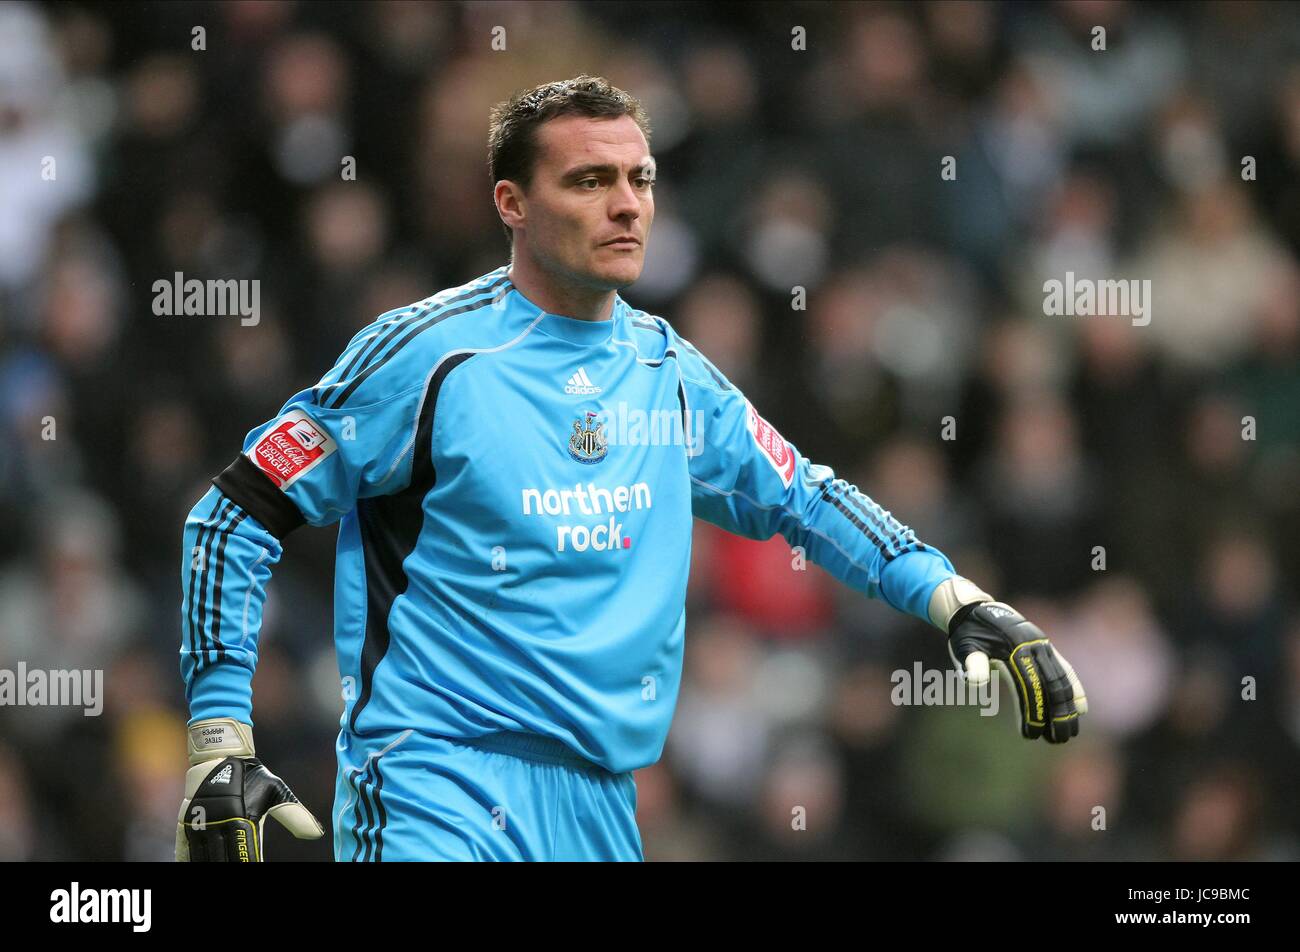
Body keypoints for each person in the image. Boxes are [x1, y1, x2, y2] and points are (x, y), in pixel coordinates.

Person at [175, 75, 1086, 863]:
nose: (628, 204)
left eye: (640, 179)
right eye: (590, 179)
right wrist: (221, 737)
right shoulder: (429, 358)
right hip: (434, 783)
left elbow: (804, 496)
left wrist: (954, 600)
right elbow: (233, 516)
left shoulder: (668, 374)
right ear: (511, 204)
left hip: (602, 799)